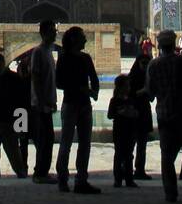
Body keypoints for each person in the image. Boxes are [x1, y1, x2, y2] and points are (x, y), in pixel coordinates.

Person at [146, 29, 182, 203]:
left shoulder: (154, 65)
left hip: (165, 114)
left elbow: (150, 93)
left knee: (167, 156)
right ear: (174, 44)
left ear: (159, 45)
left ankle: (170, 193)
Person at [55, 25, 101, 194]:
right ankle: (62, 180)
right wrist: (79, 88)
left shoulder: (85, 58)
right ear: (74, 40)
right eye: (82, 37)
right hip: (71, 104)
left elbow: (94, 78)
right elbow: (58, 82)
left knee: (85, 144)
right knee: (66, 143)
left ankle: (81, 180)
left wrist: (94, 91)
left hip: (84, 106)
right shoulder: (64, 58)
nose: (86, 40)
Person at [0, 52, 28, 178]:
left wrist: (22, 126)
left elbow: (22, 102)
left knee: (13, 150)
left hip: (8, 121)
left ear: (2, 63)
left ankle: (20, 171)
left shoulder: (14, 79)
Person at [30, 19, 58, 183]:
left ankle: (42, 172)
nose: (55, 33)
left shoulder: (48, 51)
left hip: (47, 102)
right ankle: (39, 173)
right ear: (44, 33)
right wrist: (41, 101)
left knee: (48, 138)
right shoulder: (39, 52)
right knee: (44, 139)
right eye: (52, 31)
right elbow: (35, 77)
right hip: (40, 104)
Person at [107, 74, 140, 187]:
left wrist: (133, 113)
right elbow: (110, 115)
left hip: (130, 131)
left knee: (129, 155)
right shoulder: (115, 100)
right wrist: (120, 112)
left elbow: (137, 113)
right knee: (119, 155)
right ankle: (118, 179)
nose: (128, 88)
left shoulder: (131, 100)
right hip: (120, 131)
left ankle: (129, 179)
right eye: (126, 85)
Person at [127, 49, 154, 180]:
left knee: (142, 145)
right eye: (143, 63)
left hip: (144, 112)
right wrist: (142, 91)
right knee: (130, 144)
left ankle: (139, 170)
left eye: (147, 63)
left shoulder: (148, 78)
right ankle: (126, 169)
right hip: (133, 113)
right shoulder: (131, 78)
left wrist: (148, 91)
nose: (144, 66)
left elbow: (151, 97)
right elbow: (128, 95)